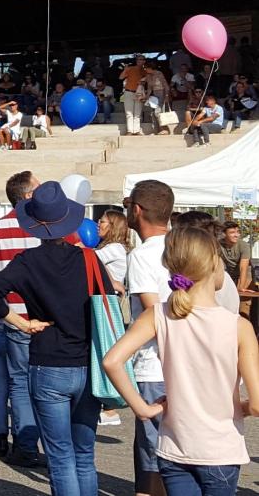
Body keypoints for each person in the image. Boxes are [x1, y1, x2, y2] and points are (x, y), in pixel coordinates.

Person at [0, 181, 114, 496]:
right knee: (84, 454)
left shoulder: (28, 262)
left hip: (48, 362)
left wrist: (20, 322)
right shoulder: (90, 260)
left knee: (60, 455)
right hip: (87, 363)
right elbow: (108, 301)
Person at [104, 226, 259, 496]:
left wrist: (142, 408)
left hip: (174, 448)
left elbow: (112, 361)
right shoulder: (238, 327)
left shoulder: (158, 315)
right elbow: (258, 404)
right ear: (214, 263)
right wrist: (241, 407)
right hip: (220, 450)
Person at [0, 170, 42, 464]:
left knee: (6, 382)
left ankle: (3, 437)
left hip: (3, 313)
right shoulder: (41, 227)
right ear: (28, 195)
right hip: (32, 315)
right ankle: (27, 443)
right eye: (38, 188)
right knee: (29, 383)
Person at [124, 179, 175, 496]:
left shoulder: (143, 256)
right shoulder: (186, 246)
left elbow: (153, 313)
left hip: (155, 364)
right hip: (190, 363)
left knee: (152, 459)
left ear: (138, 210)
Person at [219, 221, 251, 293]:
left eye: (238, 232)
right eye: (232, 232)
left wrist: (241, 286)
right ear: (224, 234)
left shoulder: (243, 246)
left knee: (243, 298)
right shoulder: (218, 245)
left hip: (244, 274)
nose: (236, 235)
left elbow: (243, 268)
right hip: (228, 274)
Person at [121, 55, 147, 136]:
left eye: (142, 59)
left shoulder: (145, 71)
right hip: (129, 92)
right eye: (139, 59)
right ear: (136, 61)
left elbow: (149, 79)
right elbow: (121, 77)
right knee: (129, 112)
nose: (141, 61)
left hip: (139, 92)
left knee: (137, 113)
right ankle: (130, 130)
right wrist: (125, 70)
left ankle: (136, 130)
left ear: (144, 61)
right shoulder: (130, 69)